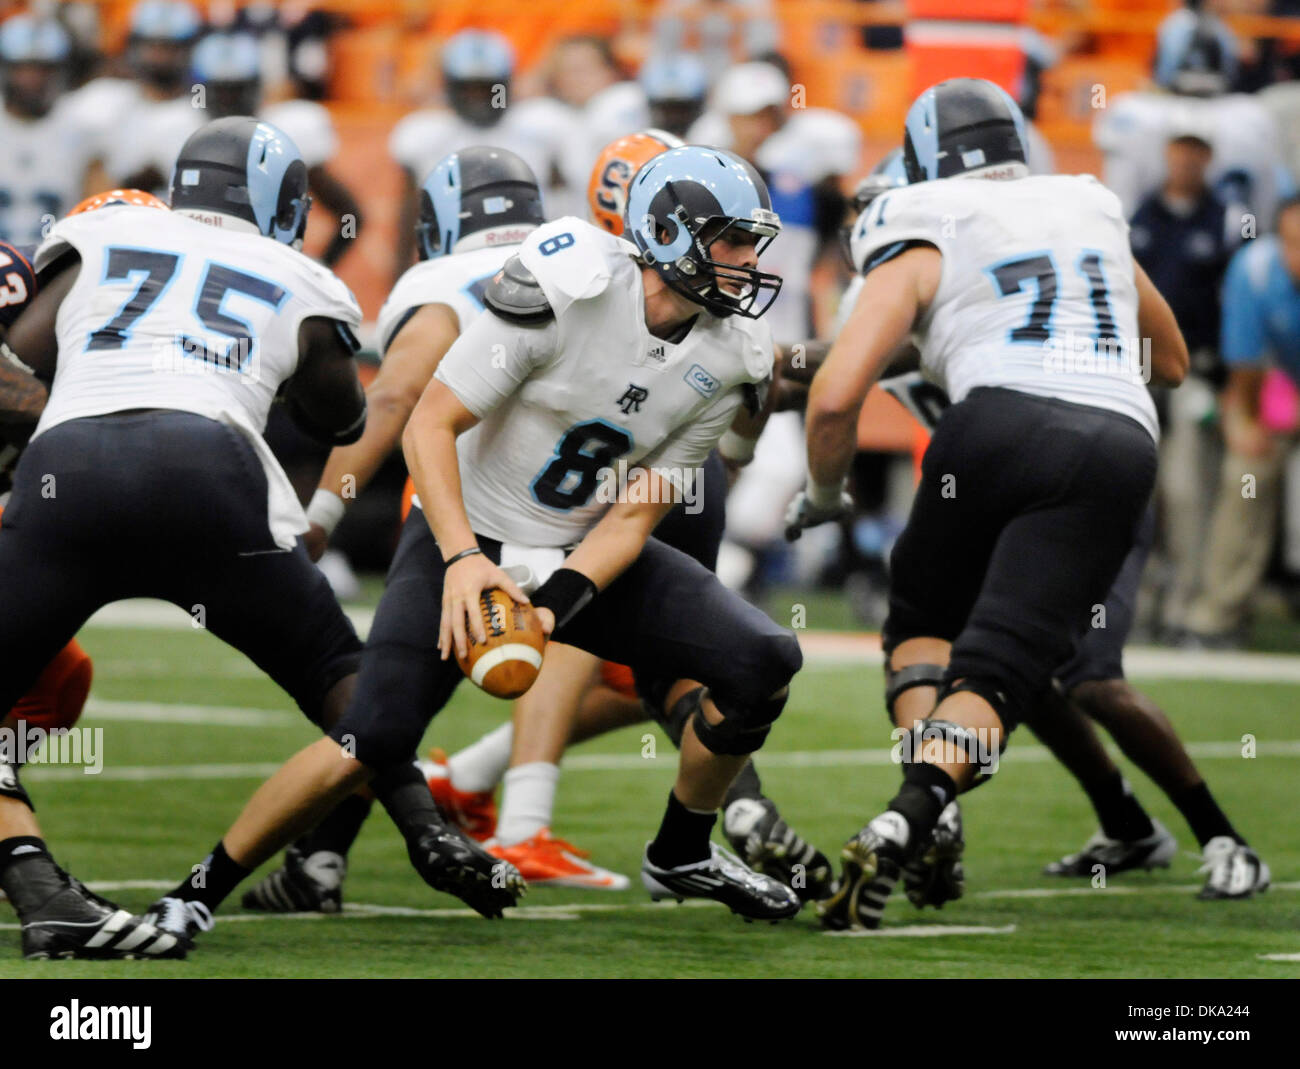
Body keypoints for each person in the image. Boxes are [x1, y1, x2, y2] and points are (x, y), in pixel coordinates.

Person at [150, 145, 807, 948]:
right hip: (470, 531)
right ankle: (197, 891)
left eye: (751, 240)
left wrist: (560, 598)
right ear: (667, 233)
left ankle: (681, 850)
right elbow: (430, 419)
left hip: (578, 543)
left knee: (765, 659)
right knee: (377, 732)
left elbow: (635, 517)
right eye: (729, 239)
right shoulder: (570, 285)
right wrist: (465, 560)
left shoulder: (732, 351)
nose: (747, 261)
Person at [788, 77, 1189, 930]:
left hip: (997, 425)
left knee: (923, 631)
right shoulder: (1086, 204)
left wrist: (825, 495)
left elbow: (832, 397)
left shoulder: (921, 216)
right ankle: (910, 813)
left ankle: (931, 807)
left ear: (924, 158)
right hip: (1120, 440)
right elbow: (1177, 361)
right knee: (1002, 670)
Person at [0, 117, 373, 955]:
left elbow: (25, 364)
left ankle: (36, 884)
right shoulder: (287, 272)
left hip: (66, 491)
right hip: (183, 483)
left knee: (49, 691)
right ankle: (47, 885)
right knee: (342, 676)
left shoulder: (96, 248)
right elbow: (340, 412)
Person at [241, 144, 550, 911]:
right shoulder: (577, 261)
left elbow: (393, 398)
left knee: (386, 701)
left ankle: (304, 868)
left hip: (475, 524)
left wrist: (324, 509)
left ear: (441, 218)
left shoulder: (442, 281)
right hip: (592, 509)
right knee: (685, 673)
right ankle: (718, 825)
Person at [1128, 127, 1235, 639]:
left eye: (1196, 153)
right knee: (1136, 490)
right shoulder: (1138, 218)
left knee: (1189, 491)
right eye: (1179, 153)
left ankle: (1185, 609)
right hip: (1140, 371)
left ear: (1208, 158)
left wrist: (1221, 372)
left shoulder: (1226, 222)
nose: (1186, 163)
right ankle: (1134, 604)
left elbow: (1233, 303)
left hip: (1195, 374)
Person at [1183, 195, 1300, 645]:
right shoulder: (1253, 270)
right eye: (1292, 242)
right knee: (1245, 478)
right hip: (1274, 385)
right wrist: (1246, 423)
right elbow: (1247, 364)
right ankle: (1216, 618)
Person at [388, 29, 576, 279]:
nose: (479, 98)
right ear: (450, 87)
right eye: (469, 89)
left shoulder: (543, 127)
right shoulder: (425, 135)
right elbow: (411, 217)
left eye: (488, 89)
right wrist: (400, 280)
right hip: (455, 266)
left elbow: (567, 206)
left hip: (535, 262)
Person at [0, 16, 99, 244]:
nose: (32, 79)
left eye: (42, 70)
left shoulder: (81, 129)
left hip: (54, 270)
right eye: (22, 69)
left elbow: (100, 214)